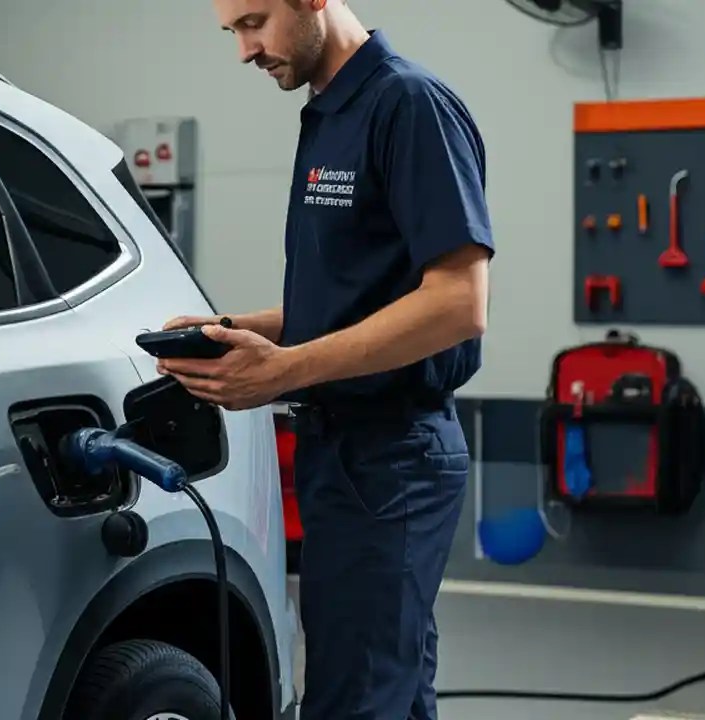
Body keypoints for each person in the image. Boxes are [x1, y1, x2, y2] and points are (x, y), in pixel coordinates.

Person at [158, 1, 494, 717]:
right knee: (391, 693)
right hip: (341, 450)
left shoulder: (407, 104)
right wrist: (241, 330)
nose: (245, 51)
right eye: (232, 32)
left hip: (393, 455)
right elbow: (365, 295)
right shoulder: (329, 112)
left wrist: (285, 369)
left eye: (254, 21)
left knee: (354, 696)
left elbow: (457, 301)